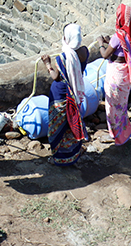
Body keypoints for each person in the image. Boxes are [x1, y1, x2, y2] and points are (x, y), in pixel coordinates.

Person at [41, 24, 88, 166]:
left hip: (61, 95)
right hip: (74, 93)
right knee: (70, 124)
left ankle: (60, 158)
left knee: (58, 127)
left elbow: (56, 76)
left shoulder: (63, 57)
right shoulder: (84, 51)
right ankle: (73, 154)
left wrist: (48, 64)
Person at [97, 4, 131, 145]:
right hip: (126, 72)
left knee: (113, 106)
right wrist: (111, 42)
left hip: (116, 74)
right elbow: (124, 48)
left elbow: (105, 55)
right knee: (122, 104)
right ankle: (124, 132)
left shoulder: (118, 36)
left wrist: (101, 43)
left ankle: (116, 136)